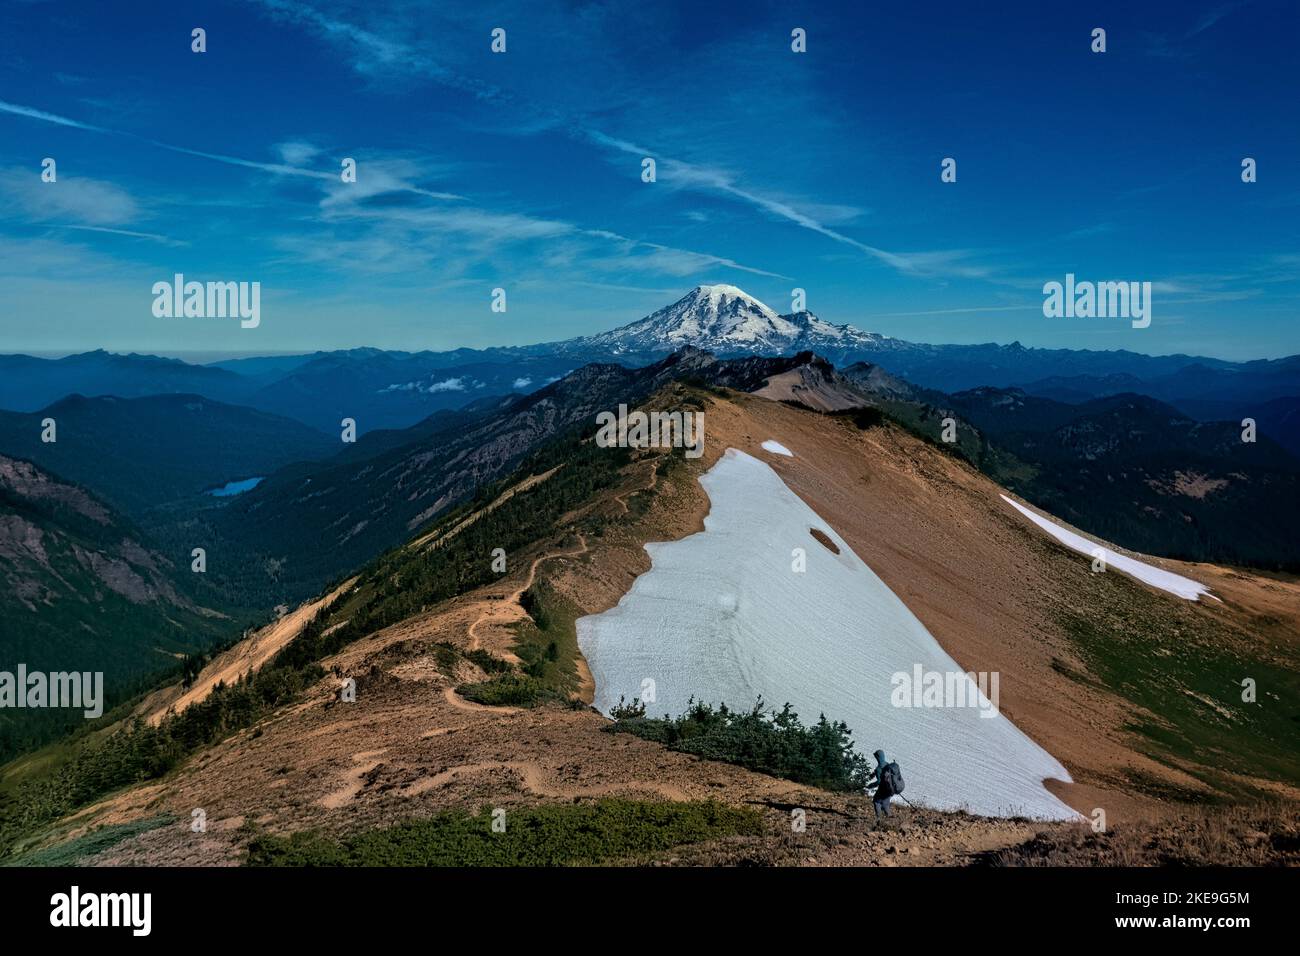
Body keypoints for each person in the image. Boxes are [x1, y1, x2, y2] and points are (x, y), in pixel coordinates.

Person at [867, 749, 895, 820]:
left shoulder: (878, 769)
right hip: (890, 789)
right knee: (885, 804)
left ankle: (879, 819)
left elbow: (879, 781)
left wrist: (871, 785)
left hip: (882, 789)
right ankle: (890, 819)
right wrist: (874, 774)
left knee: (876, 802)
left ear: (877, 757)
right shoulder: (888, 764)